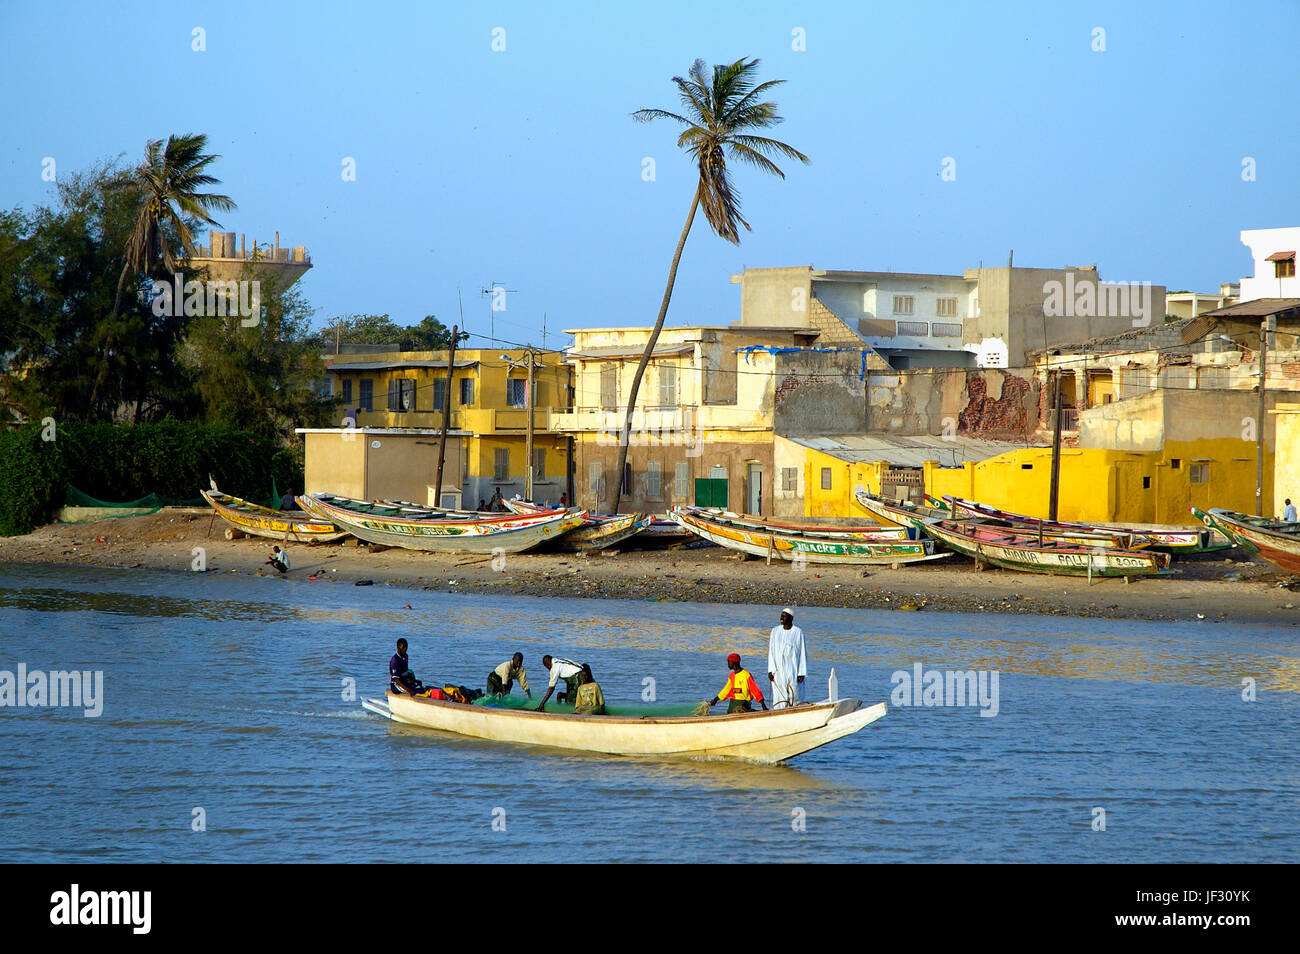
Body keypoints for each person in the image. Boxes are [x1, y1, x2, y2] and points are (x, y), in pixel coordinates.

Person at [767, 607, 807, 709]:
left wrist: (801, 673)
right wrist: (770, 670)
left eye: (784, 616)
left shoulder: (798, 632)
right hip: (778, 670)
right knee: (779, 695)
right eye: (781, 616)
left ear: (791, 618)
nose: (781, 618)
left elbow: (802, 653)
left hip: (793, 670)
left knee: (794, 694)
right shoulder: (775, 631)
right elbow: (771, 652)